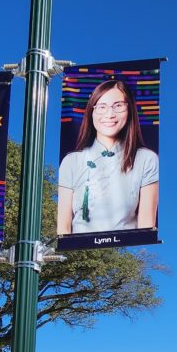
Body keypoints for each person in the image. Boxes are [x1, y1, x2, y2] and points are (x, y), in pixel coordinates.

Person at [57, 79, 159, 235]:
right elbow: (63, 229)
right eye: (102, 107)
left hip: (125, 252)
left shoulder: (146, 159)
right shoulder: (71, 162)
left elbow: (146, 226)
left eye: (118, 106)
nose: (110, 114)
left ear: (129, 109)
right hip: (79, 253)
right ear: (91, 112)